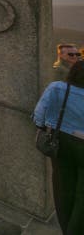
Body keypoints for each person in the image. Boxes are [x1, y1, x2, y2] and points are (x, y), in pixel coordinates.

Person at [34, 60, 84, 234]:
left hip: (59, 142)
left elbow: (39, 114)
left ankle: (65, 227)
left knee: (63, 188)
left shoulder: (57, 88)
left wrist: (41, 127)